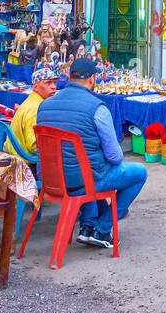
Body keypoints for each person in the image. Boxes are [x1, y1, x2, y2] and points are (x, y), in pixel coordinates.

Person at [36, 58, 148, 250]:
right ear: (93, 79)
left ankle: (88, 226)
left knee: (85, 165)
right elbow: (115, 156)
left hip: (51, 180)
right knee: (139, 172)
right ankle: (103, 229)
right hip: (82, 182)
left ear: (69, 77)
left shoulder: (44, 106)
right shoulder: (97, 108)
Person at [10, 66, 59, 158]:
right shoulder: (35, 108)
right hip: (24, 161)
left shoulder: (32, 101)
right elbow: (34, 146)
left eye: (55, 83)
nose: (53, 87)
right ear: (35, 87)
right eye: (48, 83)